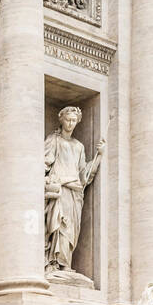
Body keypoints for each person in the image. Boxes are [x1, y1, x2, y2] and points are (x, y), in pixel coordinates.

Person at [44, 106, 104, 273]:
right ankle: (54, 263)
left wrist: (99, 156)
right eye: (68, 120)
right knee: (60, 226)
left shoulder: (79, 146)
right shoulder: (53, 140)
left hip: (75, 192)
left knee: (71, 230)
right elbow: (43, 164)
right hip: (60, 190)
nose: (70, 123)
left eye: (73, 121)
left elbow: (84, 174)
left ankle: (66, 264)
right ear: (61, 119)